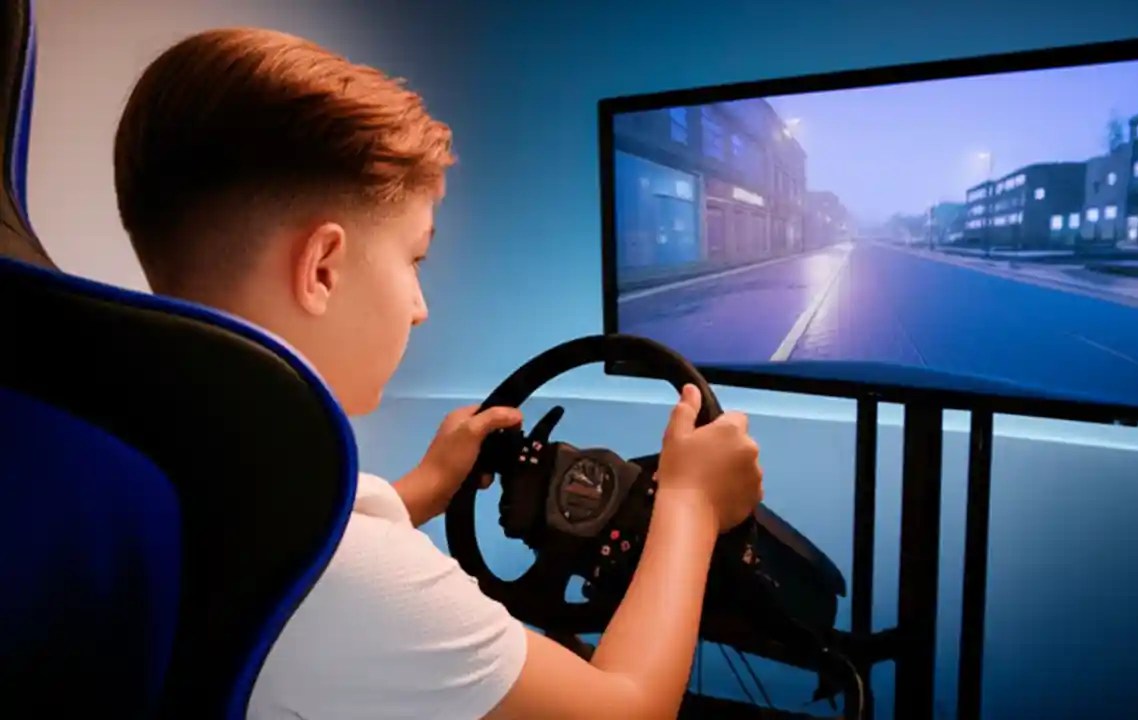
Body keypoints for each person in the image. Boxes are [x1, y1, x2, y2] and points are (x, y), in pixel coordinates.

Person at [113, 27, 765, 720]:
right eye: (413, 260)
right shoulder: (359, 584)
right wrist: (690, 505)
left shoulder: (142, 470)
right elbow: (626, 710)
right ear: (322, 269)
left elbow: (304, 528)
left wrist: (427, 486)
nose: (421, 308)